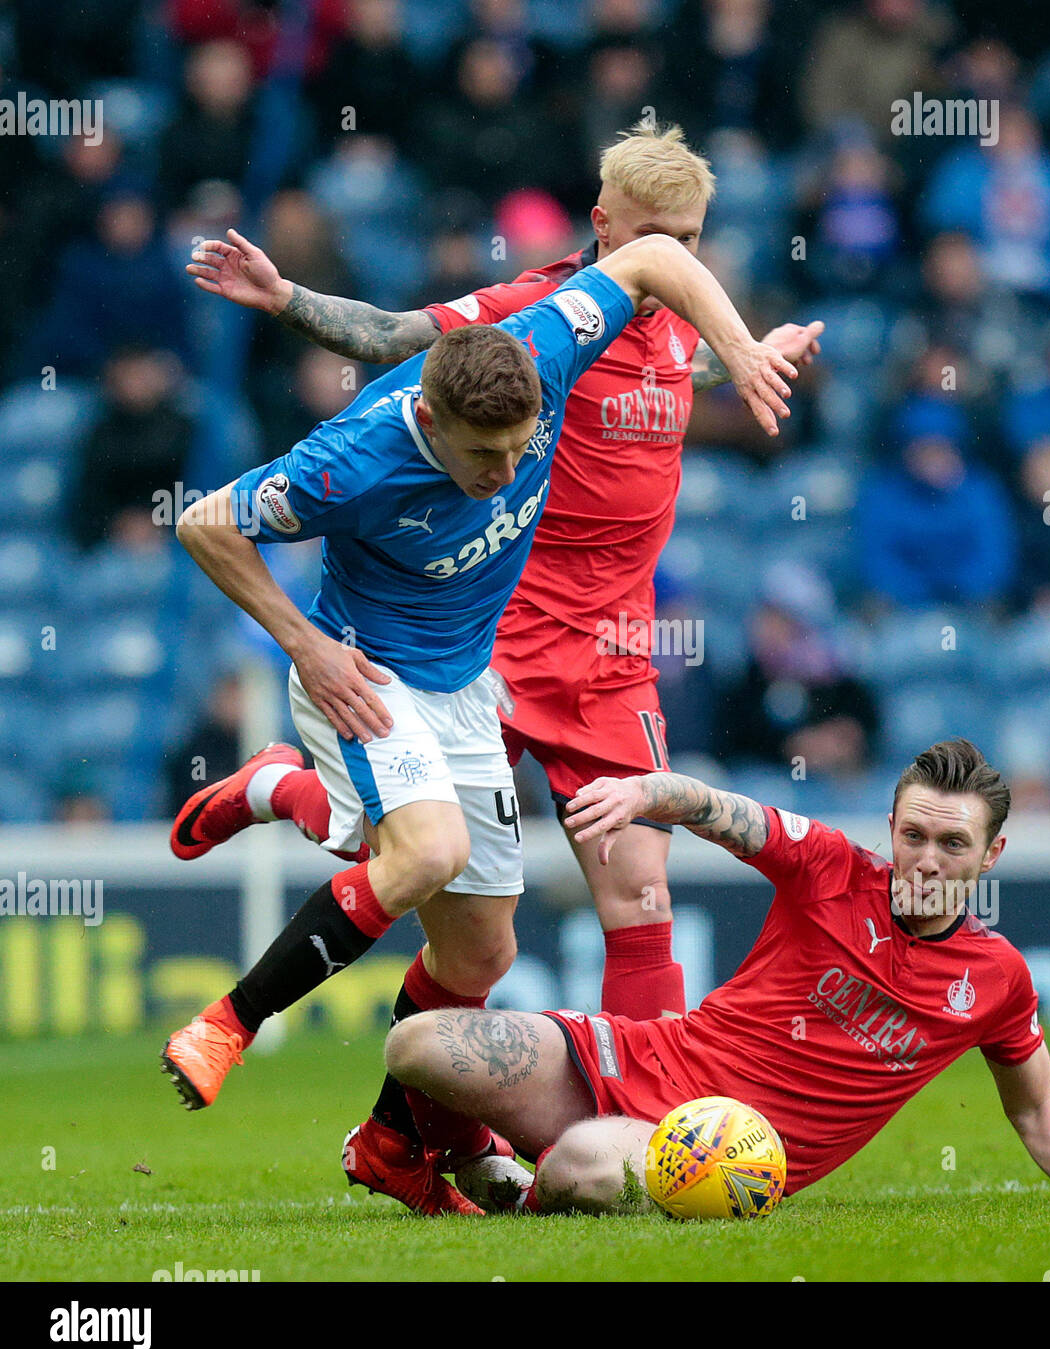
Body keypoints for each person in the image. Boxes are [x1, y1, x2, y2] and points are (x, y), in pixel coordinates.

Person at [160, 222, 796, 1225]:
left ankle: (389, 1145)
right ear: (428, 418)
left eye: (519, 447)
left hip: (467, 688)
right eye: (481, 456)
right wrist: (308, 649)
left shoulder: (541, 346)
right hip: (367, 676)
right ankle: (226, 1025)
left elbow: (656, 260)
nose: (506, 472)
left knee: (479, 959)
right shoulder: (356, 459)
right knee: (425, 852)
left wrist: (744, 348)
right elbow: (204, 522)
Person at [176, 121, 822, 1030]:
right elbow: (401, 338)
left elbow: (675, 373)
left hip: (616, 647)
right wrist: (286, 298)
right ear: (603, 226)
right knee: (408, 847)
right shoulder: (539, 310)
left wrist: (746, 356)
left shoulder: (679, 327)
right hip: (502, 634)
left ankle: (638, 1136)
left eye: (690, 241)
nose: (675, 258)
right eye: (652, 239)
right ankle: (289, 787)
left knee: (640, 898)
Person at [383, 739, 1050, 1213]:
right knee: (415, 1046)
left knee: (585, 1162)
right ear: (891, 826)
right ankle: (475, 1154)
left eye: (953, 844)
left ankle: (517, 1192)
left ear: (991, 854)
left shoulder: (997, 979)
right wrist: (641, 792)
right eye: (914, 834)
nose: (927, 858)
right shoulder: (828, 865)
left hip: (727, 1149)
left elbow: (1035, 1105)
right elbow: (717, 808)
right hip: (643, 1051)